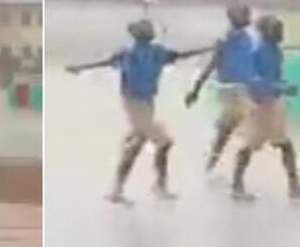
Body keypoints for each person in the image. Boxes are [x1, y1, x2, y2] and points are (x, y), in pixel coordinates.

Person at [67, 19, 211, 203]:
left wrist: (208, 49)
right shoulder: (127, 53)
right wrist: (80, 68)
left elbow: (180, 55)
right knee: (162, 141)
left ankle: (124, 189)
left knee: (139, 145)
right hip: (133, 102)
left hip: (148, 102)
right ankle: (152, 186)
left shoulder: (157, 52)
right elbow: (105, 63)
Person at [230, 15, 300, 201]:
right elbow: (253, 80)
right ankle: (236, 185)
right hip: (258, 105)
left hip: (272, 103)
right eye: (277, 30)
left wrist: (284, 86)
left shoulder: (276, 52)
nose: (281, 34)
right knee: (249, 146)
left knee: (285, 145)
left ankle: (294, 186)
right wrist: (279, 87)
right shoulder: (257, 51)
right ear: (266, 32)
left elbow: (274, 77)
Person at [185, 3, 255, 173]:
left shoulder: (248, 39)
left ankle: (212, 160)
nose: (248, 17)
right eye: (244, 14)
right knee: (243, 125)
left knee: (228, 129)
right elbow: (212, 64)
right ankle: (233, 176)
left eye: (247, 14)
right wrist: (196, 90)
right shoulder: (226, 39)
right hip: (230, 89)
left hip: (243, 88)